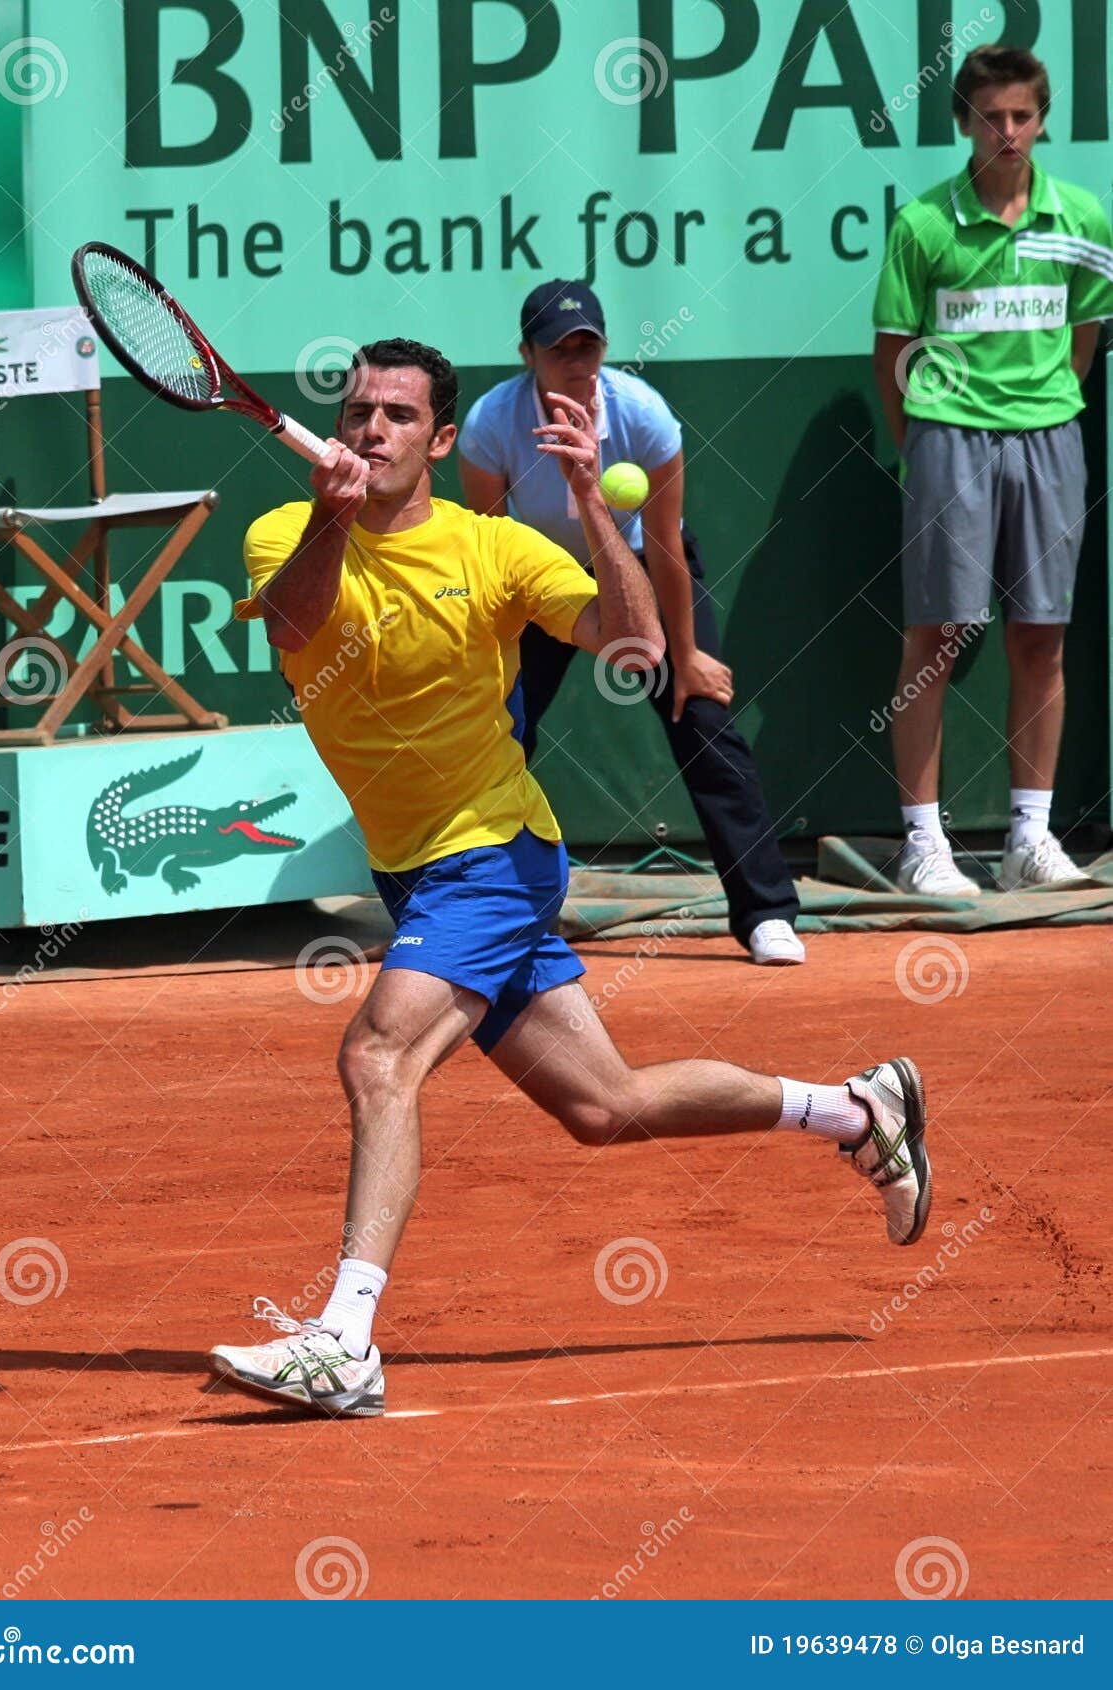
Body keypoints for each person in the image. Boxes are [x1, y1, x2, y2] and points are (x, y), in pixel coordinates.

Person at [210, 337, 932, 1419]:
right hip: (411, 867)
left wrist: (597, 499)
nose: (370, 429)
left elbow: (636, 643)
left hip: (492, 852)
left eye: (398, 416)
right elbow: (302, 624)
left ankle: (345, 1338)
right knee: (605, 1105)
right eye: (358, 410)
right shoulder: (283, 530)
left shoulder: (494, 549)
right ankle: (854, 1110)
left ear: (442, 440)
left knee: (377, 1056)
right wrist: (329, 513)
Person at [457, 281, 804, 966]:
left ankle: (766, 913)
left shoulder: (644, 415)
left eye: (588, 346)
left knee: (703, 717)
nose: (576, 361)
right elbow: (490, 549)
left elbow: (670, 545)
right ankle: (477, 910)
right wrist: (497, 674)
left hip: (642, 564)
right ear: (527, 354)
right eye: (559, 349)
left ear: (605, 347)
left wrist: (688, 654)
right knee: (497, 729)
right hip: (537, 576)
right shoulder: (490, 424)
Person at [873, 44, 1113, 896]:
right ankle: (922, 843)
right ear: (964, 124)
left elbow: (1083, 343)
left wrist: (1040, 407)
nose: (1007, 132)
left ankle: (1030, 838)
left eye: (1021, 116)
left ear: (1042, 120)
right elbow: (893, 357)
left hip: (1052, 437)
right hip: (948, 440)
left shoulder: (1084, 218)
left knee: (1040, 637)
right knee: (936, 639)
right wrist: (934, 442)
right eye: (989, 117)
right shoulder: (923, 225)